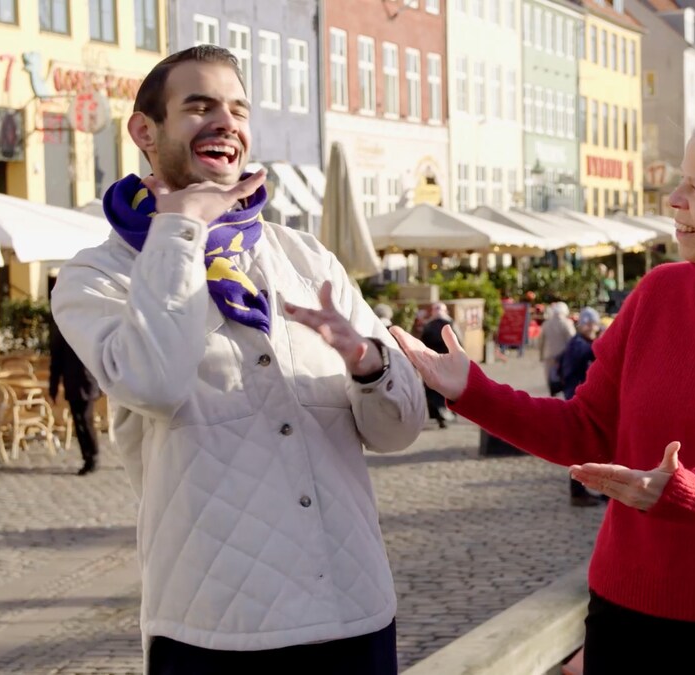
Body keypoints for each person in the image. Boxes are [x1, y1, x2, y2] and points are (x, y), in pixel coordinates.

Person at [391, 109, 695, 674]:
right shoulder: (658, 293)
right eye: (680, 181)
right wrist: (472, 390)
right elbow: (587, 429)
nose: (673, 199)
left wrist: (689, 492)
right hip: (630, 616)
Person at [50, 46, 425, 675]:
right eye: (199, 106)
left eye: (237, 108)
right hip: (215, 630)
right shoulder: (97, 275)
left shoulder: (304, 258)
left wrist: (366, 362)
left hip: (352, 612)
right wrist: (177, 230)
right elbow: (155, 382)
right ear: (146, 131)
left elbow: (399, 429)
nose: (225, 121)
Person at [558, 307, 602, 507]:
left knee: (587, 446)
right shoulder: (579, 345)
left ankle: (591, 488)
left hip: (577, 397)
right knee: (578, 448)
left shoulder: (580, 343)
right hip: (575, 399)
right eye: (591, 325)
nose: (594, 329)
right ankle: (578, 492)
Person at [47, 315, 100, 476]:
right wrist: (53, 389)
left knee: (85, 419)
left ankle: (93, 456)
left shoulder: (87, 330)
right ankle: (87, 456)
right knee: (78, 421)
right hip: (72, 383)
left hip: (87, 382)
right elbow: (55, 363)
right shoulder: (61, 333)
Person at [419, 302, 457, 428]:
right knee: (448, 389)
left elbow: (421, 345)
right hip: (448, 363)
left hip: (432, 363)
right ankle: (448, 412)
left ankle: (439, 414)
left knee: (433, 390)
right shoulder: (451, 325)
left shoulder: (428, 326)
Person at [537, 302, 575, 396]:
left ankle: (552, 395)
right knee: (563, 377)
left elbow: (541, 341)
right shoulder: (567, 323)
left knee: (550, 377)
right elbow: (573, 340)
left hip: (548, 355)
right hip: (563, 356)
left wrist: (541, 355)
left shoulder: (546, 324)